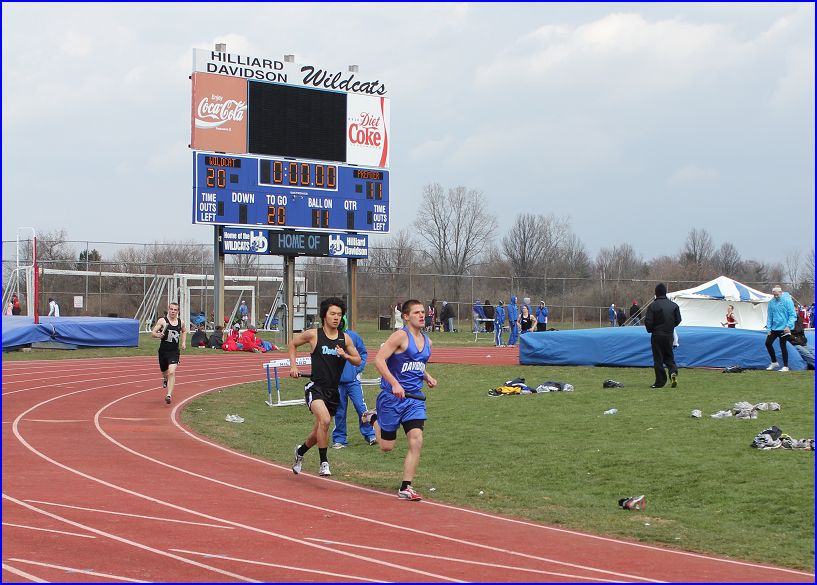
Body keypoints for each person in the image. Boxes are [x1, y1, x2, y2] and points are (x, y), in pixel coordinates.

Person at [361, 299, 437, 501]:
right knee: (387, 447)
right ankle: (373, 418)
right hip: (391, 398)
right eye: (417, 313)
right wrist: (394, 383)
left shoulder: (428, 341)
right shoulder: (399, 336)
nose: (422, 315)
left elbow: (416, 364)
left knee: (416, 440)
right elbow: (379, 360)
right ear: (406, 316)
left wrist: (427, 376)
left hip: (414, 400)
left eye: (423, 312)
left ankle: (406, 486)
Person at [288, 297, 362, 477]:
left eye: (339, 314)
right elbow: (292, 344)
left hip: (333, 391)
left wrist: (345, 355)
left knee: (317, 432)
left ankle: (300, 452)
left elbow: (358, 359)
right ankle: (324, 463)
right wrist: (294, 366)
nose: (336, 318)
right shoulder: (314, 335)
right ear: (324, 316)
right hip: (316, 388)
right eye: (332, 314)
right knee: (326, 421)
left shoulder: (345, 339)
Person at [331, 327, 376, 448]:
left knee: (361, 407)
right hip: (336, 383)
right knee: (339, 411)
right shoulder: (328, 337)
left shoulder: (353, 336)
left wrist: (357, 369)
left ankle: (370, 434)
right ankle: (339, 439)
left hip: (353, 382)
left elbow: (363, 353)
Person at [644, 283, 681, 388]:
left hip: (657, 335)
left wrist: (651, 330)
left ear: (656, 293)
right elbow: (678, 320)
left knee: (658, 359)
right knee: (669, 356)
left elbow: (649, 321)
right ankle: (673, 371)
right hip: (669, 335)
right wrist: (670, 327)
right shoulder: (674, 305)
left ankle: (660, 382)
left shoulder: (653, 306)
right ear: (665, 293)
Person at [151, 301, 187, 404]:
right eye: (171, 309)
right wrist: (158, 335)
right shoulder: (163, 321)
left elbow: (184, 331)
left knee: (171, 372)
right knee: (165, 373)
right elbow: (153, 333)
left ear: (178, 311)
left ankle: (169, 395)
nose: (173, 311)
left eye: (175, 310)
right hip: (163, 351)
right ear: (168, 309)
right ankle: (165, 379)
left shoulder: (181, 322)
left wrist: (183, 342)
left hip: (174, 352)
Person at [765, 285, 796, 372]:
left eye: (777, 295)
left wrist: (788, 326)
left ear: (781, 293)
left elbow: (793, 315)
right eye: (774, 295)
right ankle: (774, 362)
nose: (776, 296)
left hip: (784, 328)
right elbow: (769, 317)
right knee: (768, 343)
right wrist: (769, 329)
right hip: (774, 328)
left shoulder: (787, 301)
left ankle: (785, 366)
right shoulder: (771, 302)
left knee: (783, 346)